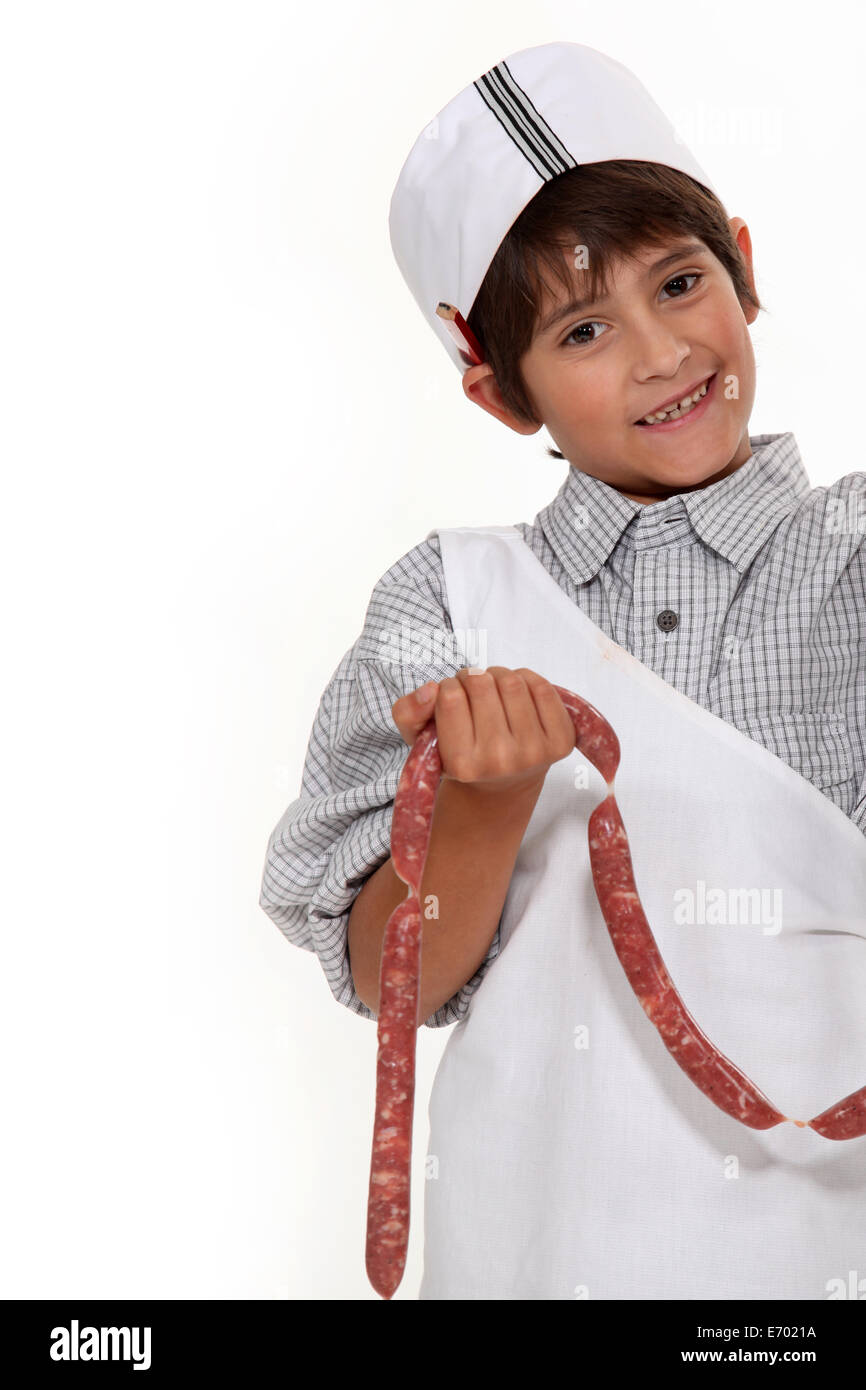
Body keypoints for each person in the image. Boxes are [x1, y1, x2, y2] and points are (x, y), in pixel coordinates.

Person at [259, 41, 866, 1299]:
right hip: (543, 1256)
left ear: (743, 267)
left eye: (680, 282)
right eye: (583, 328)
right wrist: (479, 806)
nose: (659, 354)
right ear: (497, 390)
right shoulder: (451, 606)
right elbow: (392, 980)